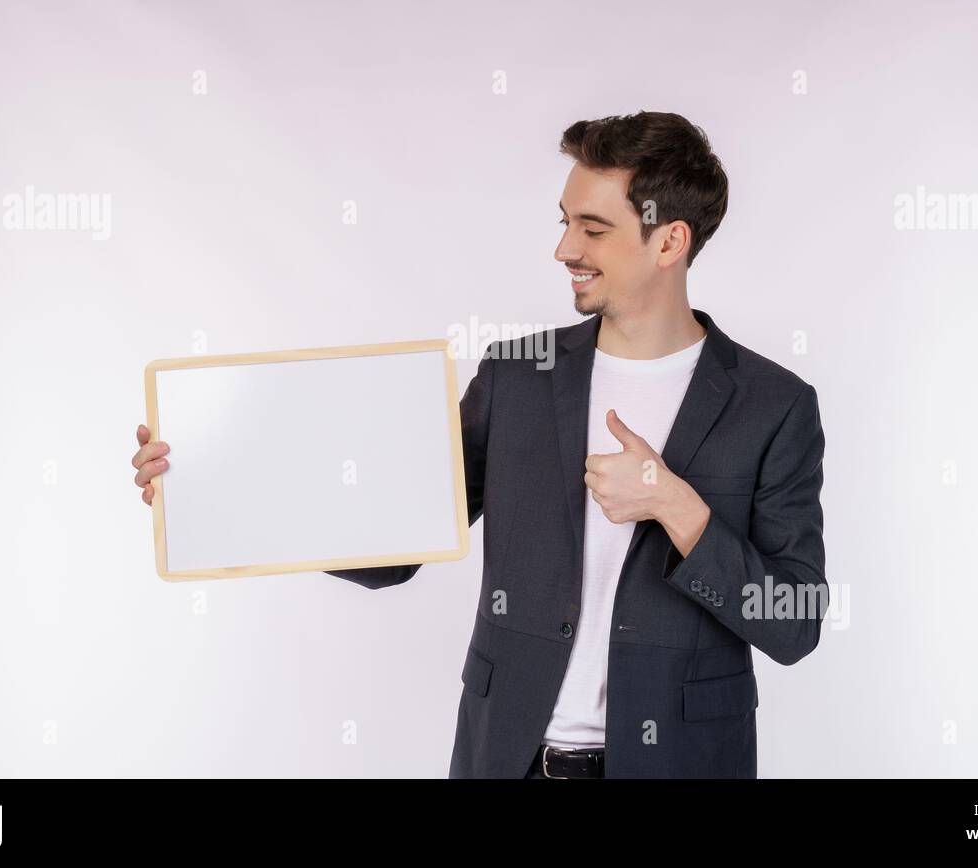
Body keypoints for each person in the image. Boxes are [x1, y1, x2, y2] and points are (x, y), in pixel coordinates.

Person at [132, 110, 828, 778]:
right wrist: (228, 491)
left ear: (670, 241)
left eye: (593, 228)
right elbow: (398, 549)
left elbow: (793, 622)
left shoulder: (775, 405)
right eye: (565, 223)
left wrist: (679, 509)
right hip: (508, 758)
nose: (565, 250)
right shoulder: (517, 376)